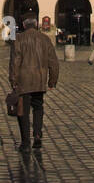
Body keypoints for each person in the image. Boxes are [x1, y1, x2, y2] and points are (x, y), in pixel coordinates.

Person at [8, 16, 59, 153]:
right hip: (39, 80)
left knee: (22, 111)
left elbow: (15, 61)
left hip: (23, 81)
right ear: (36, 25)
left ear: (24, 26)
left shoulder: (19, 39)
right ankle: (37, 134)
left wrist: (13, 80)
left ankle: (25, 143)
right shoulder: (45, 39)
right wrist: (52, 81)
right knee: (38, 107)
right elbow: (53, 61)